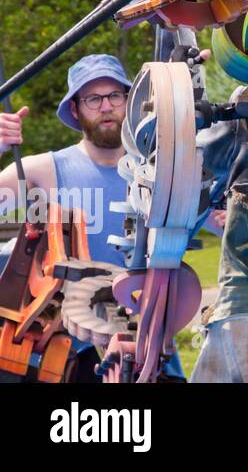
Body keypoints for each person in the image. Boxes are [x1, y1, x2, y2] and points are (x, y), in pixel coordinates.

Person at [0, 53, 185, 381]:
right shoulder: (44, 170)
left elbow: (213, 220)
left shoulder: (160, 172)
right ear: (75, 109)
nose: (105, 106)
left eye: (115, 95)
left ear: (130, 102)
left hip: (143, 342)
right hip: (62, 350)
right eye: (93, 98)